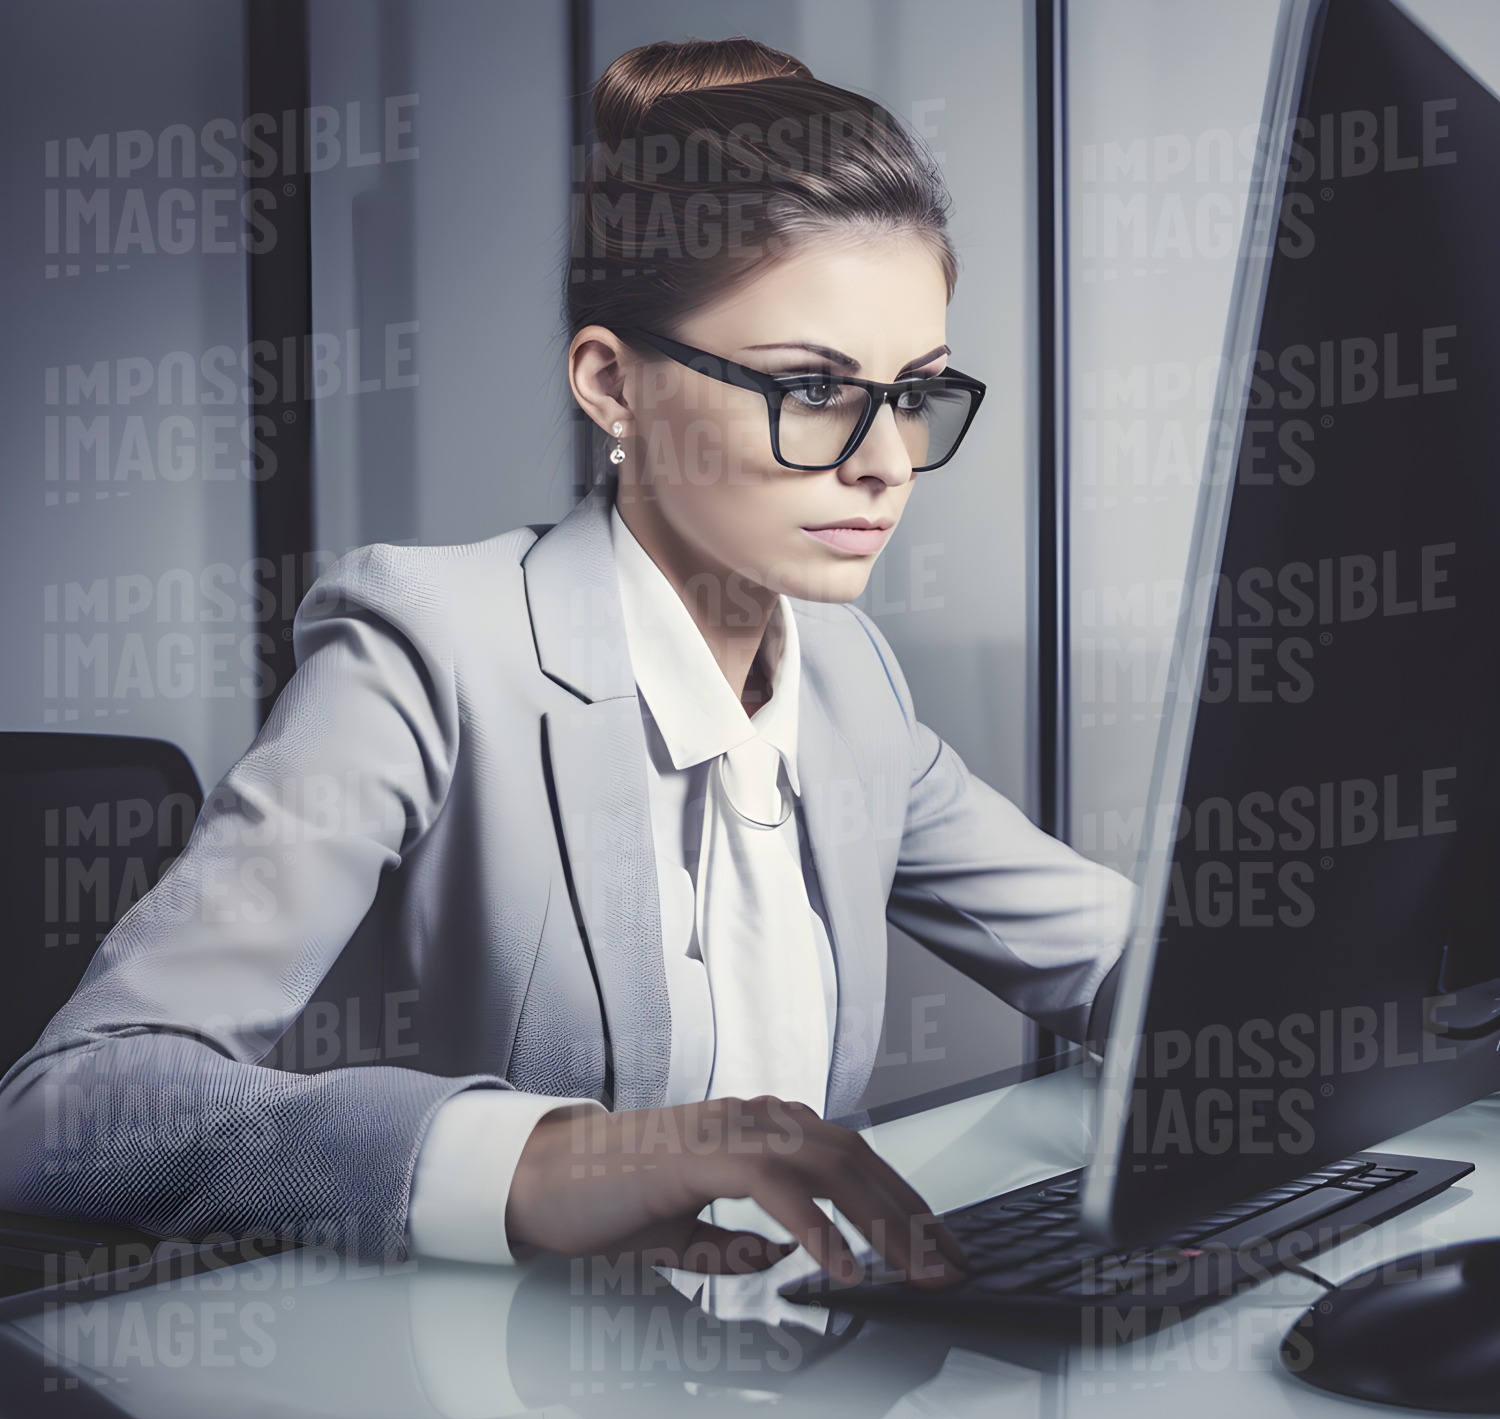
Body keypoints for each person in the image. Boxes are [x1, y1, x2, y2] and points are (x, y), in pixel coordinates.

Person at [0, 39, 1132, 1290]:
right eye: (813, 389)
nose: (886, 462)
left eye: (913, 393)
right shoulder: (432, 645)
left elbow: (1125, 965)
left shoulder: (847, 678)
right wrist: (541, 1160)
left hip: (789, 1373)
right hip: (468, 1387)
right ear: (612, 385)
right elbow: (70, 1111)